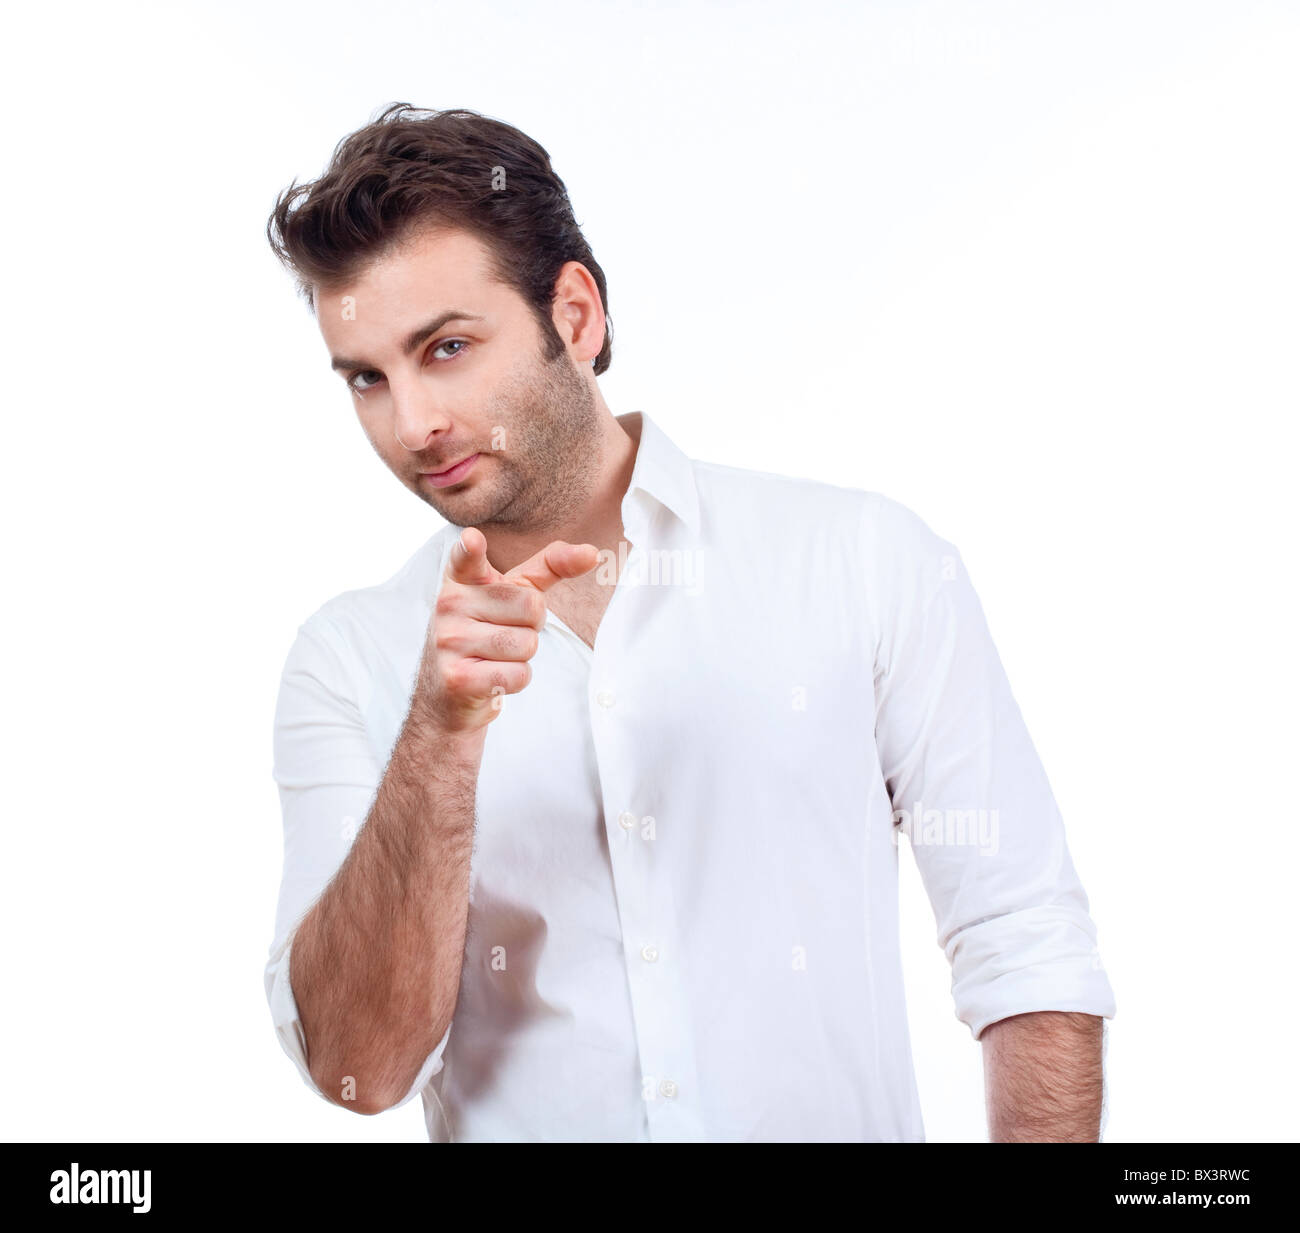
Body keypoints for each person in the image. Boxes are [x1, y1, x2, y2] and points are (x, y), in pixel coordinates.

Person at [262, 103, 1116, 1143]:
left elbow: (1023, 940)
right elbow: (358, 1070)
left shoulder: (858, 562)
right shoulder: (349, 661)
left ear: (573, 316)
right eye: (367, 379)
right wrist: (436, 746)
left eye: (445, 348)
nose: (412, 425)